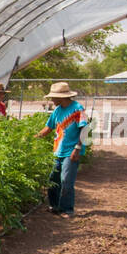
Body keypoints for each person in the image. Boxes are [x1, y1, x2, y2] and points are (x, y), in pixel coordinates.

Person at [34, 81, 89, 216]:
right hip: (58, 150)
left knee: (66, 180)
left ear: (62, 97)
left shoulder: (77, 109)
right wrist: (33, 137)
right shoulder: (57, 110)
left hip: (71, 151)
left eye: (53, 97)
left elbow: (85, 129)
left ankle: (67, 209)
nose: (52, 100)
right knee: (53, 179)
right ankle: (54, 206)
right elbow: (49, 127)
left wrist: (77, 148)